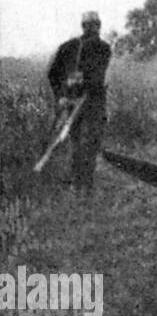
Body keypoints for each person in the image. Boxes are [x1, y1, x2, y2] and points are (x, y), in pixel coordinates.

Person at [46, 11, 112, 193]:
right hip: (84, 103)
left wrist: (64, 93)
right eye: (91, 25)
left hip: (87, 101)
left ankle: (83, 186)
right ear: (85, 26)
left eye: (96, 25)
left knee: (84, 144)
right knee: (83, 144)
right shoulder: (74, 47)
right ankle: (81, 187)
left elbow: (96, 77)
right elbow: (53, 74)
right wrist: (61, 96)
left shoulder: (102, 48)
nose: (95, 28)